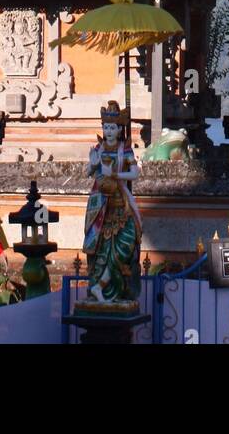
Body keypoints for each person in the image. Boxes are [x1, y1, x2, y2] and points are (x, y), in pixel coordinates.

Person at [81, 100, 142, 307]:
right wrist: (93, 164)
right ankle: (98, 287)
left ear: (119, 129)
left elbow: (135, 173)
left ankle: (109, 287)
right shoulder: (99, 148)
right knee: (100, 248)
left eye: (112, 127)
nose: (108, 131)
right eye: (105, 127)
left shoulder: (124, 149)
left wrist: (114, 174)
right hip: (100, 206)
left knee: (126, 243)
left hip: (120, 204)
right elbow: (89, 173)